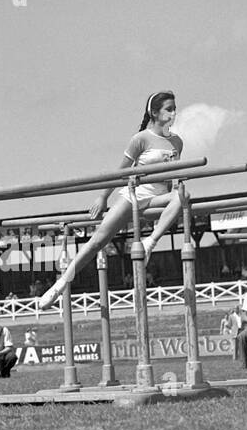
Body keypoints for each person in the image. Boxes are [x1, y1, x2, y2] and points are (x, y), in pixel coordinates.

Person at [38, 91, 187, 309]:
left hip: (157, 200)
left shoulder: (177, 142)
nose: (174, 113)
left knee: (183, 195)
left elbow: (175, 179)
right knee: (97, 241)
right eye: (169, 109)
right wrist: (103, 196)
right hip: (134, 197)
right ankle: (60, 285)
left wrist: (178, 189)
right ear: (154, 113)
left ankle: (150, 243)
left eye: (175, 108)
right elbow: (121, 172)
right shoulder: (141, 139)